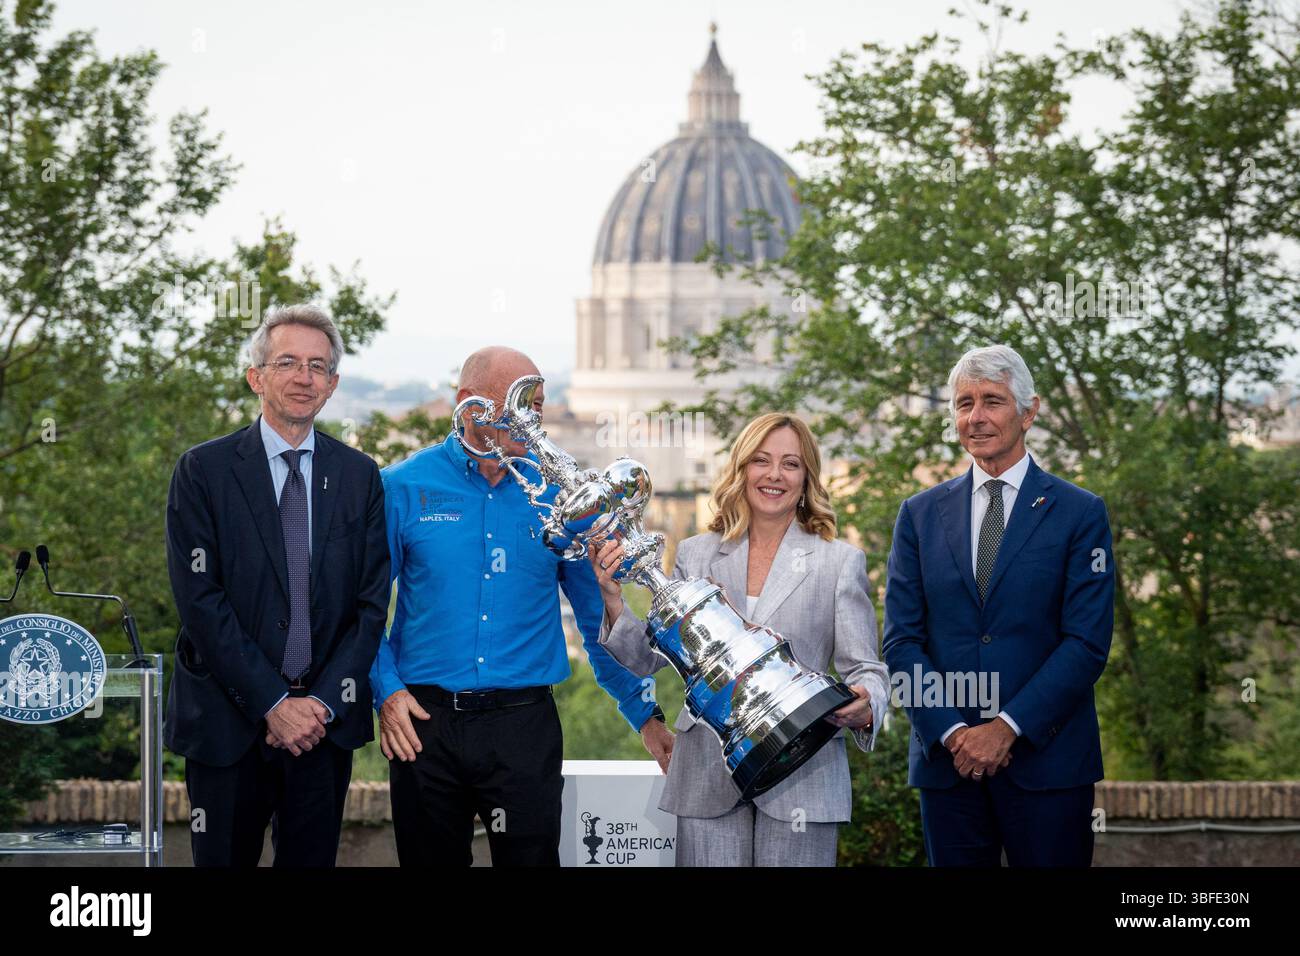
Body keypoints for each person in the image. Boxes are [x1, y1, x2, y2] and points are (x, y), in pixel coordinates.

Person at [370, 346, 674, 866]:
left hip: (523, 727)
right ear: (469, 403)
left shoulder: (562, 495)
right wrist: (386, 692)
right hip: (424, 726)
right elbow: (362, 608)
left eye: (537, 403)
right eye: (518, 402)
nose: (532, 417)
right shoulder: (401, 487)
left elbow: (594, 617)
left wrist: (646, 717)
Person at [591, 412, 888, 867]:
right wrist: (613, 599)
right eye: (761, 460)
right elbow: (650, 659)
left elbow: (865, 667)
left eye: (790, 464)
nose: (774, 475)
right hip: (707, 772)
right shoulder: (695, 553)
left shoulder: (839, 562)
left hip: (803, 767)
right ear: (741, 468)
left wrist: (867, 702)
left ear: (807, 476)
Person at [164, 305, 391, 867]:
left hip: (322, 730)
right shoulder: (203, 472)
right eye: (287, 362)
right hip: (228, 725)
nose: (303, 377)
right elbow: (201, 602)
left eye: (317, 366)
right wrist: (272, 703)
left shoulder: (360, 476)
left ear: (333, 385)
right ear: (256, 377)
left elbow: (369, 605)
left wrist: (315, 705)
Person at [882, 344, 1114, 867]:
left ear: (1029, 412)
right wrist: (953, 732)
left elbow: (1087, 643)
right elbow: (901, 641)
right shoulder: (918, 516)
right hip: (948, 767)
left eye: (993, 401)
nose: (977, 417)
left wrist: (1006, 727)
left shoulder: (1079, 513)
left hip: (1049, 766)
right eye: (964, 404)